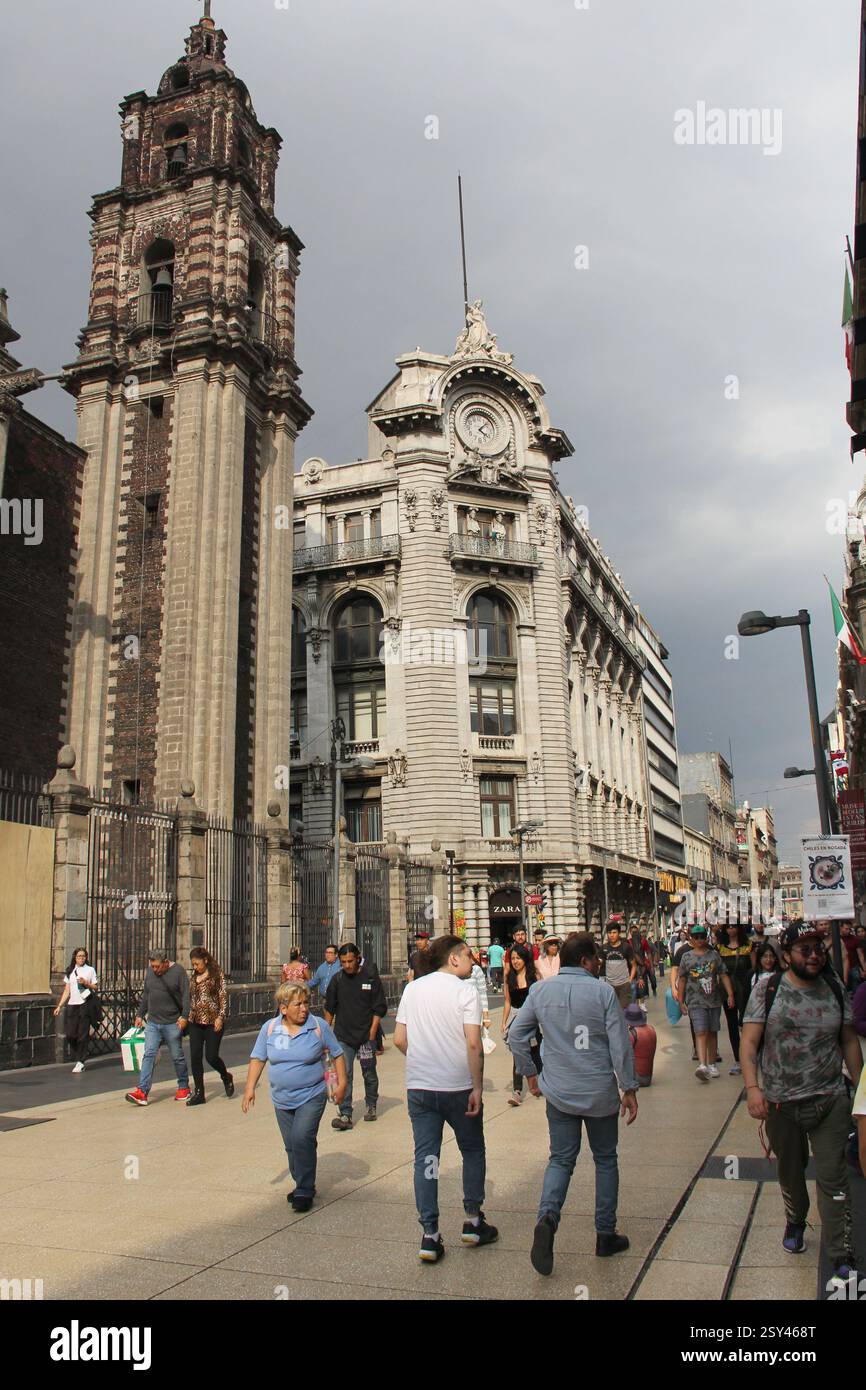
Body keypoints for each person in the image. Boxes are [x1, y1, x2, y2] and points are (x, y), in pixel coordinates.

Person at [740, 920, 862, 1289]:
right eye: (804, 949)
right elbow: (748, 1044)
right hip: (781, 1104)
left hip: (829, 1099)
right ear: (786, 955)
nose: (814, 955)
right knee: (791, 1174)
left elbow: (850, 1042)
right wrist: (753, 1088)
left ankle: (840, 1251)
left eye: (818, 948)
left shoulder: (835, 988)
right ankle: (795, 1218)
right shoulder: (768, 988)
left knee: (834, 1178)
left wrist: (862, 1091)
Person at [509, 932, 638, 1276]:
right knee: (606, 1160)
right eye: (595, 959)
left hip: (560, 1092)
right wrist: (629, 1087)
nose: (597, 964)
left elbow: (515, 1035)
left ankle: (548, 1219)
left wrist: (530, 1073)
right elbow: (620, 1044)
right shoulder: (602, 992)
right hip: (598, 1093)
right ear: (585, 960)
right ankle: (605, 1234)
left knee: (561, 1159)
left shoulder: (540, 991)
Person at [395, 933, 498, 1262]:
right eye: (468, 955)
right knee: (471, 1149)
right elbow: (473, 1044)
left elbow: (399, 1039)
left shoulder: (413, 988)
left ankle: (429, 1234)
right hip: (458, 1087)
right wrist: (478, 1087)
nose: (472, 961)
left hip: (420, 1088)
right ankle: (472, 1220)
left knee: (427, 1158)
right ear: (453, 959)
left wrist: (423, 1060)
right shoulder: (466, 991)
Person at [243, 982, 347, 1211]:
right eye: (297, 1004)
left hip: (312, 1094)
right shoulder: (270, 1029)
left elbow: (337, 1054)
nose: (304, 1008)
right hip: (281, 1099)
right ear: (283, 1008)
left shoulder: (317, 1026)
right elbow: (258, 1058)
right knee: (291, 1145)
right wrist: (250, 1088)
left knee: (302, 1138)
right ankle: (301, 1180)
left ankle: (305, 1189)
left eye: (306, 1003)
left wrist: (341, 1083)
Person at [325, 943, 387, 1128]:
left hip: (366, 1036)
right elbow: (329, 1009)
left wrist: (373, 1032)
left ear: (358, 958)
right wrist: (325, 1036)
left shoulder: (370, 977)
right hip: (343, 1036)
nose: (347, 965)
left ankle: (371, 1105)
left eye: (350, 961)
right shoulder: (337, 980)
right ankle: (345, 1114)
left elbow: (379, 1007)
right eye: (343, 962)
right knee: (345, 1074)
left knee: (369, 1072)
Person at [126, 949, 190, 1106]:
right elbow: (146, 994)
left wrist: (184, 1016)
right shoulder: (150, 972)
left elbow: (186, 996)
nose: (154, 969)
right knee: (149, 1055)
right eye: (152, 966)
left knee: (177, 1056)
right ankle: (142, 1091)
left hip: (172, 1022)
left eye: (157, 966)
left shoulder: (178, 972)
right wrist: (140, 1014)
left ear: (166, 963)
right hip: (153, 1022)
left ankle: (183, 1086)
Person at [674, 924, 734, 1082]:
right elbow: (682, 979)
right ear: (691, 939)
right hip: (695, 1001)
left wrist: (730, 994)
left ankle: (712, 1063)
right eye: (696, 937)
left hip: (713, 1000)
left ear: (706, 938)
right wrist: (680, 1000)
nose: (700, 939)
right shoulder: (686, 957)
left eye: (702, 936)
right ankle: (702, 1064)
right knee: (700, 1031)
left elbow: (723, 974)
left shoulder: (714, 955)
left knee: (712, 1032)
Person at [185, 947, 233, 1106]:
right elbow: (191, 997)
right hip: (195, 1021)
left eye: (197, 963)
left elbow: (223, 997)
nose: (195, 967)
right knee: (195, 1056)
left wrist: (221, 1016)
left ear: (205, 960)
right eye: (193, 964)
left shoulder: (217, 975)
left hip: (213, 1021)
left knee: (211, 1056)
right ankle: (199, 1092)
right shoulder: (193, 976)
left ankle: (226, 1076)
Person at [501, 944, 539, 1106]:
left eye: (518, 958)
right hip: (516, 1018)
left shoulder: (534, 976)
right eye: (513, 958)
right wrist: (504, 1022)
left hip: (532, 1018)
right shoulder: (509, 978)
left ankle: (542, 1083)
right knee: (518, 1054)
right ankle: (517, 1091)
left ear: (525, 959)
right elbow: (508, 1001)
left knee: (536, 1052)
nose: (515, 961)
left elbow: (540, 999)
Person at [716, 922, 754, 1076]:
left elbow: (753, 967)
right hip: (727, 990)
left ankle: (750, 1056)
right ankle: (738, 1060)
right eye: (728, 927)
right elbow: (718, 970)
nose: (731, 929)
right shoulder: (720, 948)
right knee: (732, 1024)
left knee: (746, 1023)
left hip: (745, 989)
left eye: (734, 926)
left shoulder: (749, 946)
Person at [53, 946, 98, 1073]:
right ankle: (80, 1053)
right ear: (75, 958)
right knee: (71, 1034)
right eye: (79, 956)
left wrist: (86, 983)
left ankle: (81, 1061)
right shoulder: (70, 971)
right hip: (72, 1005)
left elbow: (95, 987)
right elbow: (67, 990)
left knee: (82, 1035)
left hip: (85, 1005)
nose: (81, 958)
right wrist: (59, 1006)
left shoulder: (90, 970)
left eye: (83, 956)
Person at [598, 921, 636, 1009]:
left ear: (619, 933)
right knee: (612, 1010)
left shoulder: (626, 947)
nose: (611, 935)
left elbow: (633, 965)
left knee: (624, 1010)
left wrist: (630, 980)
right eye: (609, 933)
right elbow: (600, 962)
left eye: (614, 932)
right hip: (610, 986)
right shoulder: (604, 948)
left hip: (624, 985)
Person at [623, 1003, 657, 1086]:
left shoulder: (632, 1034)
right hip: (648, 1077)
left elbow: (623, 1055)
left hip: (637, 1078)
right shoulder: (651, 1029)